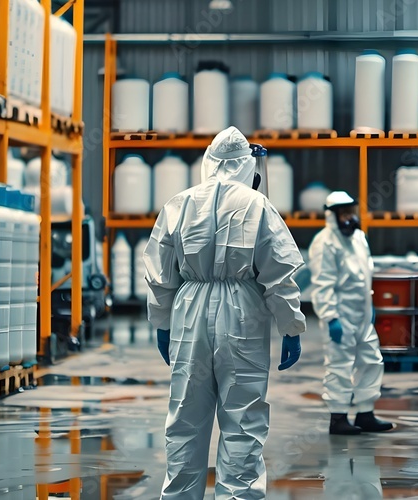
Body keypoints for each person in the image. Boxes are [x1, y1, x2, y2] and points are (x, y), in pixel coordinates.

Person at [143, 126, 307, 499]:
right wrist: (291, 325)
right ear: (247, 165)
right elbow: (279, 273)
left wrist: (162, 320)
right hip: (243, 313)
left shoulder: (179, 203)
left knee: (186, 417)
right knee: (243, 418)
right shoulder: (257, 205)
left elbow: (159, 273)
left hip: (189, 309)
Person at [309, 191, 394, 435]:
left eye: (351, 212)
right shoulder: (324, 243)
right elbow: (323, 284)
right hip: (340, 316)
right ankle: (338, 417)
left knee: (371, 361)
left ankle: (365, 413)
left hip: (362, 315)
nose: (349, 218)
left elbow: (365, 276)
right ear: (332, 216)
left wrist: (370, 308)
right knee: (340, 365)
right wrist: (330, 317)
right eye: (344, 214)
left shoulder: (358, 238)